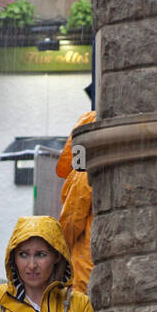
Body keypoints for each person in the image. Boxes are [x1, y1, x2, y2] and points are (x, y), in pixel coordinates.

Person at [57, 110, 97, 296]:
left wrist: (56, 248)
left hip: (84, 263)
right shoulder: (101, 165)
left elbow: (72, 219)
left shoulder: (83, 172)